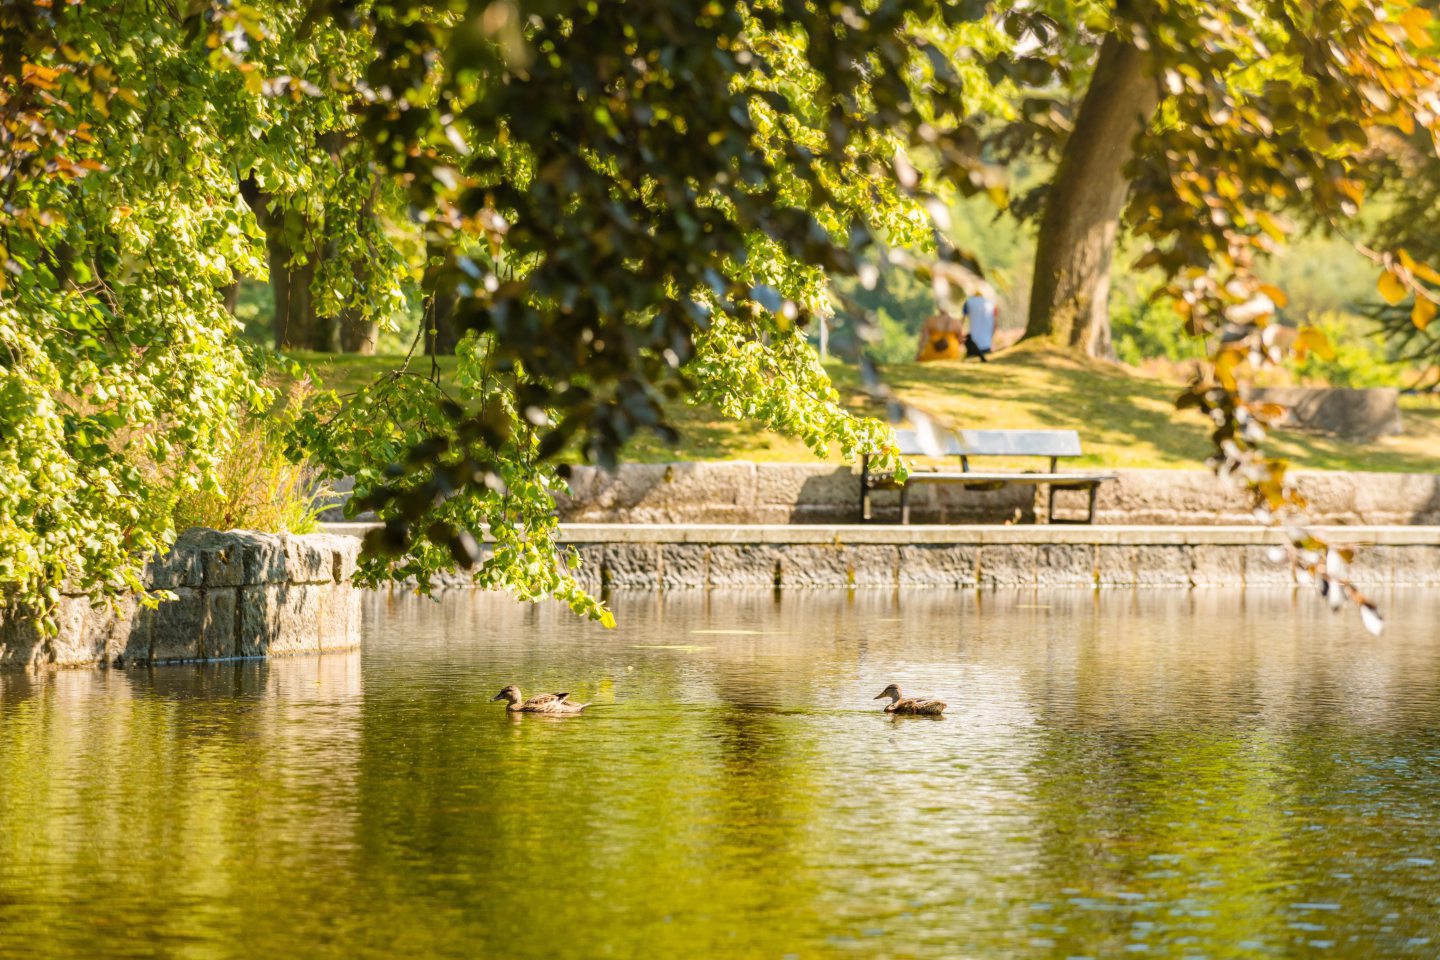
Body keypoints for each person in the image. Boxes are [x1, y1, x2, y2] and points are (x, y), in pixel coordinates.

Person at [961, 288, 998, 362]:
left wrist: (961, 336)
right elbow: (995, 323)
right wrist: (991, 337)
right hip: (987, 343)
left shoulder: (968, 302)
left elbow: (962, 321)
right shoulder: (992, 303)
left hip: (973, 343)